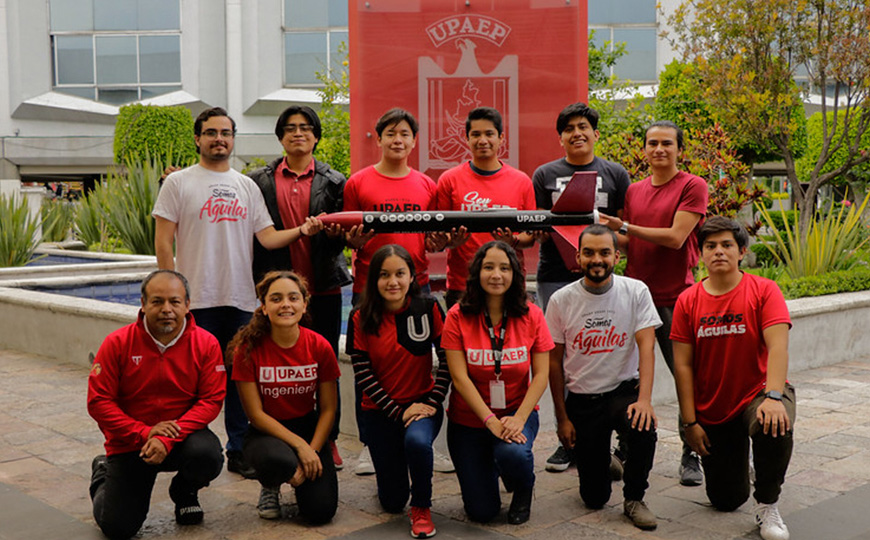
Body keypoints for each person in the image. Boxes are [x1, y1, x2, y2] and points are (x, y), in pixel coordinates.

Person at [153, 107, 323, 479]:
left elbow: (267, 236)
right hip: (194, 302)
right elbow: (164, 241)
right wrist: (170, 294)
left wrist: (302, 231)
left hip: (241, 301)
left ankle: (237, 449)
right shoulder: (178, 183)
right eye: (211, 132)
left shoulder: (246, 186)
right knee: (190, 379)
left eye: (226, 133)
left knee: (239, 380)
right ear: (198, 138)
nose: (219, 139)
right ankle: (188, 445)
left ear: (233, 139)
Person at [600, 120, 708, 486]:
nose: (658, 149)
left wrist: (624, 227)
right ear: (643, 149)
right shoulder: (634, 190)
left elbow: (677, 238)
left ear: (679, 148)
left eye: (666, 143)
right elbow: (630, 244)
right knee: (625, 377)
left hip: (675, 297)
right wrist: (595, 242)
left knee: (685, 377)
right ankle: (627, 444)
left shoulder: (693, 186)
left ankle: (691, 451)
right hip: (633, 296)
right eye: (652, 143)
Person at [671, 216, 794, 540]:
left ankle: (767, 502)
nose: (719, 252)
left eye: (727, 245)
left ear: (741, 251)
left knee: (773, 426)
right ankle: (744, 468)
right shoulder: (688, 300)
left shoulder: (764, 290)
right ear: (701, 254)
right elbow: (682, 366)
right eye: (710, 246)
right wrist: (690, 423)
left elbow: (778, 345)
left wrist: (774, 396)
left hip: (758, 393)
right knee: (726, 500)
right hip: (714, 405)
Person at [247, 105, 351, 469]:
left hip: (322, 288)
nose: (298, 134)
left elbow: (346, 239)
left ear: (316, 136)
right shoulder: (257, 180)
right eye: (290, 128)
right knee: (271, 368)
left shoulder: (336, 181)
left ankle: (329, 440)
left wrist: (342, 235)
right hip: (276, 292)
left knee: (325, 368)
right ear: (280, 136)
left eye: (306, 128)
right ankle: (267, 440)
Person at [87, 270, 225, 539]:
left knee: (208, 455)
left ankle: (185, 492)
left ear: (187, 304)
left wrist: (166, 438)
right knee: (118, 528)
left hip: (182, 437)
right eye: (157, 301)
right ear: (143, 303)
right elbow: (98, 402)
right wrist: (145, 432)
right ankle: (103, 473)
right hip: (131, 442)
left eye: (174, 302)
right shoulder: (117, 343)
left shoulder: (206, 344)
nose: (166, 310)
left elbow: (211, 400)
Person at [533, 102, 630, 474]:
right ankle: (568, 440)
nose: (577, 132)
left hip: (605, 276)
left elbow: (625, 228)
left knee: (607, 349)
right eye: (569, 127)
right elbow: (537, 230)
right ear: (561, 137)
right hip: (556, 274)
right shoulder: (544, 174)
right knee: (564, 355)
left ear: (595, 133)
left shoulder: (615, 173)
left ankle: (616, 438)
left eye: (584, 126)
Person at [546, 225, 660, 530]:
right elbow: (554, 363)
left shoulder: (635, 291)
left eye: (604, 252)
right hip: (583, 399)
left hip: (623, 391)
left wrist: (645, 400)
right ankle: (605, 460)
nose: (597, 259)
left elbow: (647, 347)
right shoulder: (561, 300)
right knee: (594, 498)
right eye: (589, 253)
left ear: (616, 256)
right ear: (578, 256)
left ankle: (635, 498)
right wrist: (562, 418)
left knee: (643, 427)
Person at [442, 241, 553, 524]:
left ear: (514, 273)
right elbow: (459, 377)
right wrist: (490, 420)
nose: (496, 275)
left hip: (517, 412)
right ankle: (488, 464)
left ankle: (522, 488)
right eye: (488, 267)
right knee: (482, 511)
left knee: (513, 453)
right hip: (468, 422)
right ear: (477, 272)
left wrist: (519, 418)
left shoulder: (532, 315)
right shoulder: (457, 315)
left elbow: (541, 375)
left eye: (504, 268)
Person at [346, 244, 451, 538]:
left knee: (418, 443)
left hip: (423, 407)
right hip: (380, 414)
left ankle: (421, 507)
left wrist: (432, 402)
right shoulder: (360, 317)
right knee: (392, 503)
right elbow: (363, 375)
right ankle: (397, 464)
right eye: (384, 275)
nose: (393, 282)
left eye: (400, 274)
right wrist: (398, 410)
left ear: (412, 276)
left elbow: (447, 361)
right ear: (373, 280)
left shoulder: (428, 308)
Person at [228, 271, 339, 524]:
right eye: (276, 299)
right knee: (276, 459)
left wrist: (312, 449)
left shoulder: (319, 346)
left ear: (304, 304)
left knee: (320, 512)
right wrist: (300, 448)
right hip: (266, 432)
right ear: (264, 307)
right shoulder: (247, 349)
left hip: (308, 427)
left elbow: (328, 409)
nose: (285, 304)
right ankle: (271, 484)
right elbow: (255, 415)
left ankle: (299, 479)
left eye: (293, 298)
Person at [434, 107, 536, 309]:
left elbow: (530, 237)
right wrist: (450, 242)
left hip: (509, 284)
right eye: (476, 134)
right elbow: (440, 236)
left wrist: (513, 241)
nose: (483, 140)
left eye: (489, 134)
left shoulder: (521, 181)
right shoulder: (449, 180)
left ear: (501, 138)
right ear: (466, 139)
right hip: (463, 285)